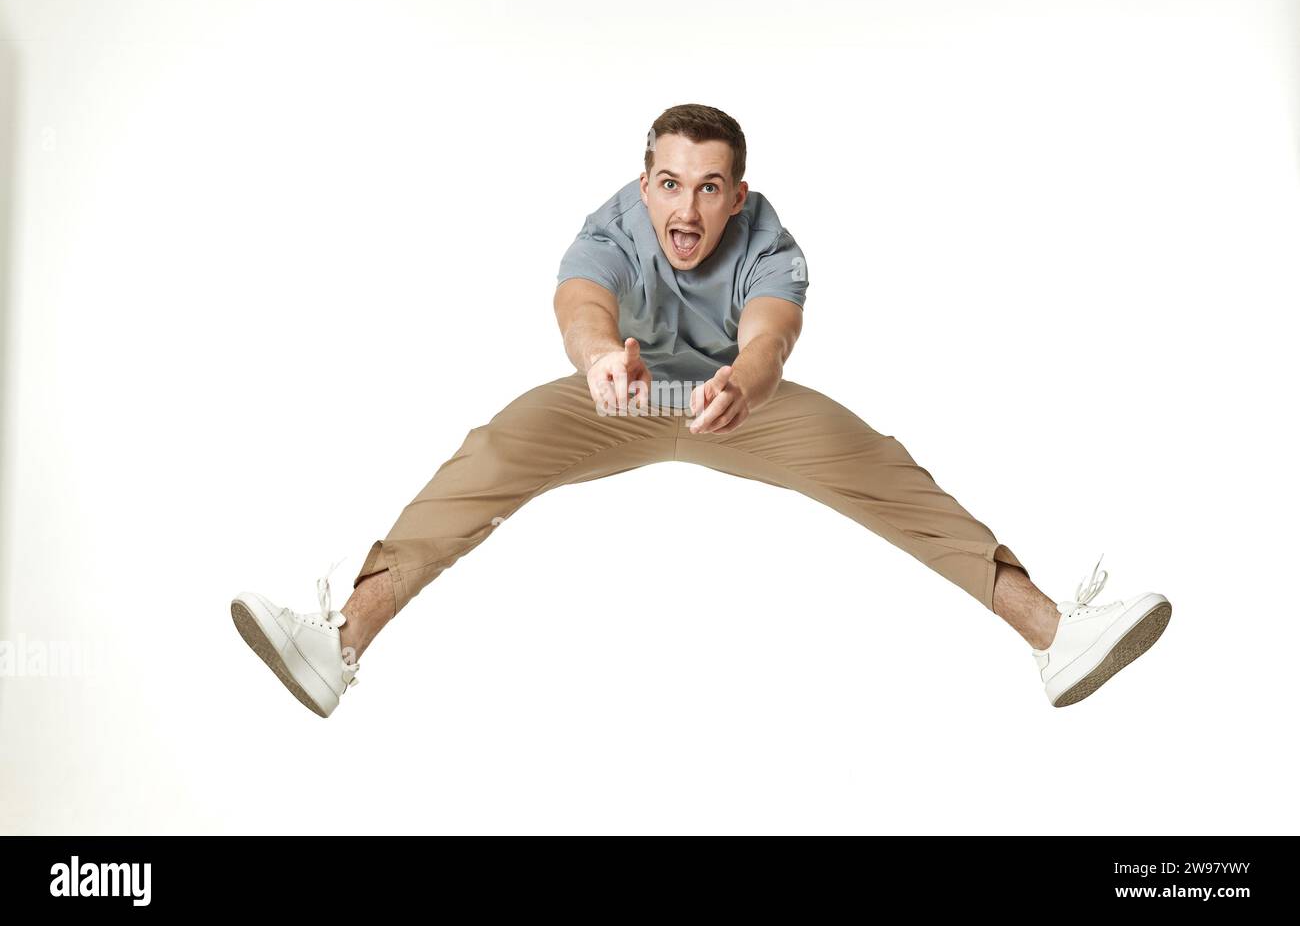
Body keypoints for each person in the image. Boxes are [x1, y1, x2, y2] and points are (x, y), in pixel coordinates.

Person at [230, 103, 1172, 718]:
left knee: (885, 470)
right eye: (671, 184)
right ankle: (339, 642)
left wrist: (744, 383)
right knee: (487, 457)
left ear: (738, 195)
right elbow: (579, 302)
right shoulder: (612, 223)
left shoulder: (772, 242)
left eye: (709, 187)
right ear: (648, 185)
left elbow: (770, 337)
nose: (687, 208)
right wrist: (599, 360)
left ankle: (1056, 635)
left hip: (734, 401)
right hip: (622, 392)